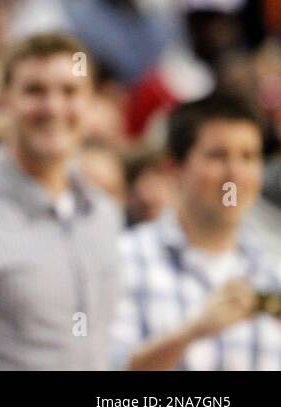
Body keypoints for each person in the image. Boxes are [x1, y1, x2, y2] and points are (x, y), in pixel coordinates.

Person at [0, 32, 125, 370]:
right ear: (5, 101)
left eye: (69, 92)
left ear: (90, 103)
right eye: (35, 91)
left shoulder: (105, 212)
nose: (53, 107)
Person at [114, 95, 281, 370]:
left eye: (249, 157)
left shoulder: (273, 269)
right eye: (218, 155)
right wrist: (193, 332)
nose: (235, 173)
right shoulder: (125, 258)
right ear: (174, 168)